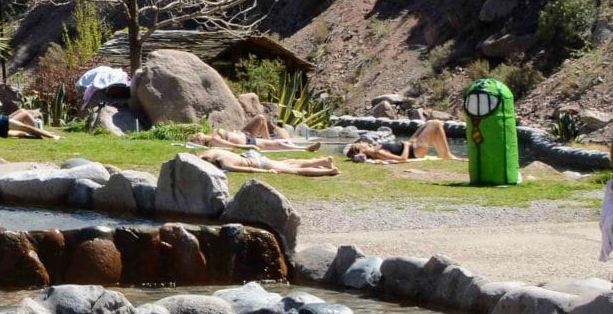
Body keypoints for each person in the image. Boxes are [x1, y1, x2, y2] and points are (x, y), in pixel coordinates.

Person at [347, 120, 454, 164]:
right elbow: (403, 159)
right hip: (416, 150)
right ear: (360, 150)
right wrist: (407, 146)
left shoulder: (375, 149)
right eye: (359, 143)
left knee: (430, 122)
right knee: (436, 124)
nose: (361, 141)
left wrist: (406, 144)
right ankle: (446, 154)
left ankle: (443, 153)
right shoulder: (378, 153)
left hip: (411, 145)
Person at [191, 147, 339, 176]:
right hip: (252, 156)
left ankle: (328, 170)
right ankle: (324, 161)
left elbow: (248, 170)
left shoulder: (224, 163)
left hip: (258, 163)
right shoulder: (212, 151)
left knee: (295, 170)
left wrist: (267, 171)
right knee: (289, 162)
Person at [190, 129, 320, 153]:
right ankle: (305, 148)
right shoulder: (213, 141)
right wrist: (246, 148)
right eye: (198, 136)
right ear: (200, 140)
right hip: (248, 143)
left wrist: (237, 133)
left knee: (279, 142)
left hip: (247, 138)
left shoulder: (214, 133)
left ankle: (301, 147)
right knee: (278, 144)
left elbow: (230, 136)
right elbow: (231, 145)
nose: (200, 134)